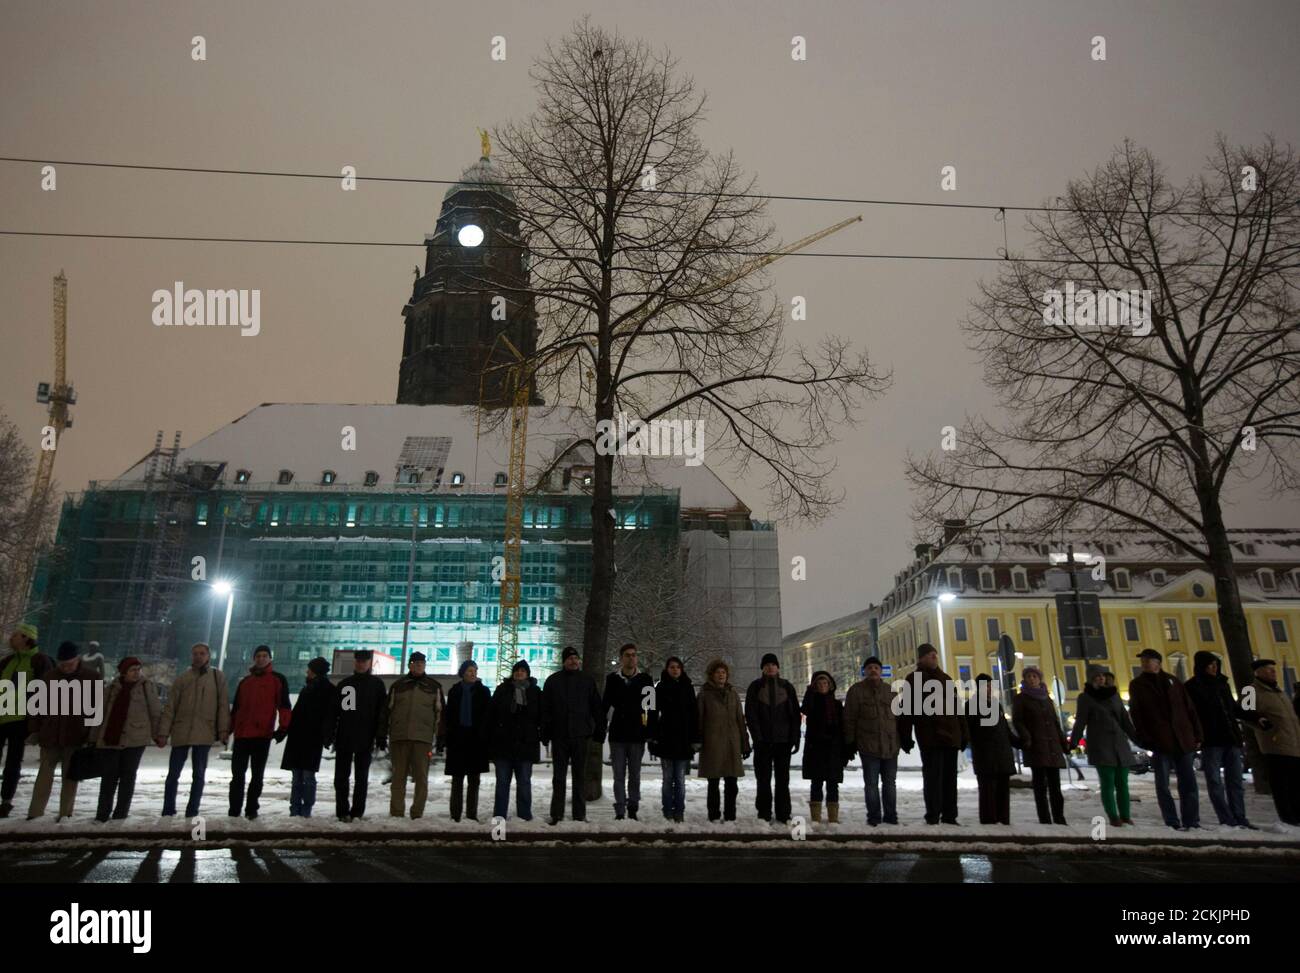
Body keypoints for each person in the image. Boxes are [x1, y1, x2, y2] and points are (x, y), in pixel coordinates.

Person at [1128, 648, 1203, 830]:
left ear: (1158, 663)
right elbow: (1137, 714)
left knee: (1188, 784)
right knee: (1163, 786)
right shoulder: (1137, 685)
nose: (1144, 663)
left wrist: (1197, 734)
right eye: (1143, 660)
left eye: (1148, 660)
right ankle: (1171, 820)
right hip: (1160, 741)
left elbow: (1189, 709)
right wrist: (1144, 738)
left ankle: (1191, 820)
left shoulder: (1173, 681)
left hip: (1182, 739)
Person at [26, 641, 100, 822]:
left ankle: (65, 813)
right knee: (44, 775)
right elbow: (36, 707)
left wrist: (91, 735)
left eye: (70, 664)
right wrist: (35, 730)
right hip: (51, 734)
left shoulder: (91, 678)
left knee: (70, 777)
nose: (66, 668)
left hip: (75, 735)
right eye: (63, 664)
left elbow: (97, 710)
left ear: (77, 660)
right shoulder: (49, 677)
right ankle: (36, 813)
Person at [897, 643, 969, 825]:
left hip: (951, 737)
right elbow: (907, 710)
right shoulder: (913, 679)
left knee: (950, 779)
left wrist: (963, 732)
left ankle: (950, 815)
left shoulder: (946, 679)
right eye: (930, 655)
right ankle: (933, 815)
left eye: (935, 654)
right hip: (930, 737)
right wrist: (905, 736)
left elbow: (957, 708)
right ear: (921, 658)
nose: (934, 657)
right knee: (933, 778)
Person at [158, 642, 229, 818]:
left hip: (204, 732)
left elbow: (222, 705)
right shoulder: (183, 678)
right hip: (181, 731)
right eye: (195, 653)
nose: (198, 656)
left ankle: (192, 810)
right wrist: (163, 732)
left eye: (202, 653)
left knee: (198, 774)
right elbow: (170, 707)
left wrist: (223, 730)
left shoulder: (216, 677)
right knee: (173, 774)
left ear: (208, 656)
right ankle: (168, 809)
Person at [1184, 650, 1253, 829]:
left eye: (1216, 664)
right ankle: (1226, 818)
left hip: (1231, 739)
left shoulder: (1222, 684)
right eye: (1211, 665)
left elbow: (1232, 708)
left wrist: (1254, 717)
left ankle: (1240, 817)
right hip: (1211, 740)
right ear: (1202, 666)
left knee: (1235, 781)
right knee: (1215, 782)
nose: (1215, 668)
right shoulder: (1192, 687)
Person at [90, 657, 161, 822]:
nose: (137, 673)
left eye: (138, 669)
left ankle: (121, 813)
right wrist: (94, 737)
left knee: (128, 778)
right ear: (124, 672)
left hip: (136, 739)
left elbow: (155, 712)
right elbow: (99, 714)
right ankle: (102, 813)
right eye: (132, 670)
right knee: (109, 778)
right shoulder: (112, 688)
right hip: (110, 739)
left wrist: (158, 735)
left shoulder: (146, 687)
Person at [1069, 665, 1140, 827]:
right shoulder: (1085, 698)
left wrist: (1138, 740)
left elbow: (1125, 721)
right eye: (1097, 676)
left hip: (1120, 745)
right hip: (1100, 745)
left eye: (1102, 675)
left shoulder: (1115, 696)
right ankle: (1113, 816)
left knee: (1122, 782)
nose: (1101, 678)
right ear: (1091, 679)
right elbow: (1080, 722)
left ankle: (1126, 816)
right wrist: (1073, 742)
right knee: (1107, 782)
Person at [540, 647, 605, 824]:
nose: (573, 661)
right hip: (559, 736)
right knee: (558, 777)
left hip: (581, 735)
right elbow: (546, 709)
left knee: (579, 777)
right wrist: (545, 732)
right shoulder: (553, 681)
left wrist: (599, 730)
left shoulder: (587, 681)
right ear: (564, 661)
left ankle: (579, 814)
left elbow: (596, 708)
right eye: (570, 658)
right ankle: (556, 813)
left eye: (576, 658)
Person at [227, 645, 291, 820]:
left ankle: (251, 808)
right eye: (258, 656)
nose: (261, 659)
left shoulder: (278, 680)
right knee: (237, 776)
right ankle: (234, 809)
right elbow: (237, 709)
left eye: (265, 656)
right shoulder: (245, 682)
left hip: (261, 735)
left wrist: (283, 728)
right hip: (241, 735)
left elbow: (284, 705)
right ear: (254, 658)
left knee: (257, 776)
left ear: (270, 658)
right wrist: (227, 730)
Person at [329, 649, 389, 822]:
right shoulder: (346, 684)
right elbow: (336, 711)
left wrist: (380, 736)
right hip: (345, 737)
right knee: (341, 778)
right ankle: (342, 811)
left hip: (366, 738)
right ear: (355, 663)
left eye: (364, 661)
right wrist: (331, 733)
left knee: (361, 778)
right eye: (358, 661)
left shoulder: (376, 685)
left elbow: (381, 714)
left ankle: (356, 812)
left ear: (369, 663)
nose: (361, 664)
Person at [0, 623, 53, 818]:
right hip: (2, 715)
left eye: (16, 635)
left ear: (26, 639)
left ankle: (6, 801)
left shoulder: (39, 661)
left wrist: (37, 721)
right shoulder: (8, 661)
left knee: (13, 761)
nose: (11, 638)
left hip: (21, 720)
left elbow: (43, 691)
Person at [843, 656, 901, 826]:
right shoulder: (856, 691)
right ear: (865, 671)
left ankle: (891, 817)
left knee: (890, 784)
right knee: (871, 784)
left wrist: (901, 739)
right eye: (870, 668)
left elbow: (899, 718)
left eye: (876, 667)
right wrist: (850, 742)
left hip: (890, 746)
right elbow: (849, 718)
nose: (873, 670)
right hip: (868, 746)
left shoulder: (890, 691)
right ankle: (874, 817)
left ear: (880, 671)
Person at [745, 653, 802, 824]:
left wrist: (795, 738)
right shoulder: (755, 687)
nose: (770, 667)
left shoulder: (787, 687)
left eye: (773, 664)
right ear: (762, 668)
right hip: (763, 742)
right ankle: (764, 812)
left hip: (783, 742)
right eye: (767, 665)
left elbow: (794, 716)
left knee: (782, 780)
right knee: (763, 779)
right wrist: (757, 738)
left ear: (778, 667)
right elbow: (751, 714)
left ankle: (783, 813)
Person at [386, 651, 443, 820]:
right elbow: (387, 711)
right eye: (415, 663)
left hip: (422, 739)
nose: (418, 665)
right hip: (400, 738)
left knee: (421, 779)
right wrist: (383, 734)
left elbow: (440, 714)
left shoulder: (434, 687)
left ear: (425, 665)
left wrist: (439, 737)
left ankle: (417, 813)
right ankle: (396, 812)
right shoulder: (398, 686)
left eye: (421, 663)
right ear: (409, 665)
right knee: (398, 778)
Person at [1243, 659, 1300, 826]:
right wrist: (1259, 720)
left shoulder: (1279, 691)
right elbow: (1244, 713)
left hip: (1293, 743)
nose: (1273, 672)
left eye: (1273, 669)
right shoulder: (1251, 690)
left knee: (1296, 783)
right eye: (1268, 670)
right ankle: (1287, 817)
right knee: (1282, 784)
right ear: (1258, 672)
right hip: (1275, 744)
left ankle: (1297, 813)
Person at [1011, 666, 1070, 825]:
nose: (1032, 679)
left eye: (1034, 676)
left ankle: (1059, 817)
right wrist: (1026, 736)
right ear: (1025, 679)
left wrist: (1063, 744)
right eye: (1029, 676)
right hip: (1036, 747)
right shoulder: (1021, 699)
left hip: (1053, 749)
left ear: (1039, 679)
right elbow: (1018, 720)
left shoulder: (1047, 699)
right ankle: (1044, 819)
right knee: (1040, 787)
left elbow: (1055, 723)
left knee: (1055, 787)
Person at [602, 643, 654, 821]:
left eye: (633, 655)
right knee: (618, 775)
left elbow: (650, 708)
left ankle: (633, 807)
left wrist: (649, 730)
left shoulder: (646, 679)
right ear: (621, 658)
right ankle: (619, 809)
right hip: (617, 735)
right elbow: (606, 704)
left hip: (637, 735)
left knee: (635, 775)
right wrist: (604, 725)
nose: (631, 658)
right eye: (627, 655)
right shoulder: (612, 679)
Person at [282, 657, 337, 817]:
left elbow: (329, 715)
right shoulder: (313, 688)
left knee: (302, 776)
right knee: (302, 776)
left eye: (310, 669)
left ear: (316, 671)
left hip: (307, 737)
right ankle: (300, 809)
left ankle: (300, 809)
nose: (307, 672)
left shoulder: (318, 689)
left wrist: (328, 735)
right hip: (306, 738)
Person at [697, 659, 749, 822]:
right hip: (712, 743)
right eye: (718, 672)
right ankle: (713, 815)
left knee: (731, 783)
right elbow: (699, 719)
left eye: (724, 672)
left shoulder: (732, 693)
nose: (721, 675)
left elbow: (740, 719)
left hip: (731, 743)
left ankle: (730, 815)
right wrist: (698, 740)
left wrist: (744, 743)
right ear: (711, 675)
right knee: (713, 783)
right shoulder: (704, 694)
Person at [490, 659, 542, 821]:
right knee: (502, 784)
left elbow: (539, 716)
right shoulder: (502, 690)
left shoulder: (535, 692)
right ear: (513, 673)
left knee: (524, 783)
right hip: (504, 744)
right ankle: (499, 817)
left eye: (523, 671)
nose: (520, 673)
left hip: (526, 744)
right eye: (517, 670)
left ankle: (525, 816)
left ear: (527, 674)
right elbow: (493, 714)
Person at [647, 655, 697, 823]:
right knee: (668, 778)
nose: (675, 670)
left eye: (677, 667)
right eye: (672, 667)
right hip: (666, 739)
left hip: (683, 740)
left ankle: (679, 810)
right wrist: (652, 737)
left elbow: (694, 715)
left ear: (681, 669)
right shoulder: (659, 688)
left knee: (680, 780)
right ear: (667, 670)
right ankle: (667, 810)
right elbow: (652, 714)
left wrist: (694, 738)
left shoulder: (688, 688)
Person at [442, 659, 491, 822]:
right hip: (458, 740)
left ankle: (471, 814)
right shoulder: (455, 691)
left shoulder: (483, 691)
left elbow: (486, 716)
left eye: (475, 670)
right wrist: (446, 738)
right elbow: (448, 717)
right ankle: (455, 814)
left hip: (476, 741)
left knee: (474, 780)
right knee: (457, 779)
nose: (473, 673)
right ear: (462, 672)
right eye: (470, 670)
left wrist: (484, 737)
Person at [967, 673, 1018, 825]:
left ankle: (1003, 819)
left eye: (990, 685)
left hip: (1002, 754)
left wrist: (1020, 742)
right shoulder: (972, 705)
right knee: (987, 791)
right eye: (985, 686)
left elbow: (1005, 730)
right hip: (985, 755)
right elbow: (971, 730)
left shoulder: (997, 704)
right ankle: (989, 821)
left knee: (1003, 790)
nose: (989, 689)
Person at [800, 670, 845, 823]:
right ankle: (816, 817)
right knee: (816, 784)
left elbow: (842, 727)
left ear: (830, 685)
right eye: (818, 683)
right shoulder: (811, 702)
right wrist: (809, 692)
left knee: (833, 784)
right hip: (816, 750)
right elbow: (804, 709)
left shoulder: (837, 705)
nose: (822, 686)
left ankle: (833, 818)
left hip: (833, 749)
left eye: (825, 683)